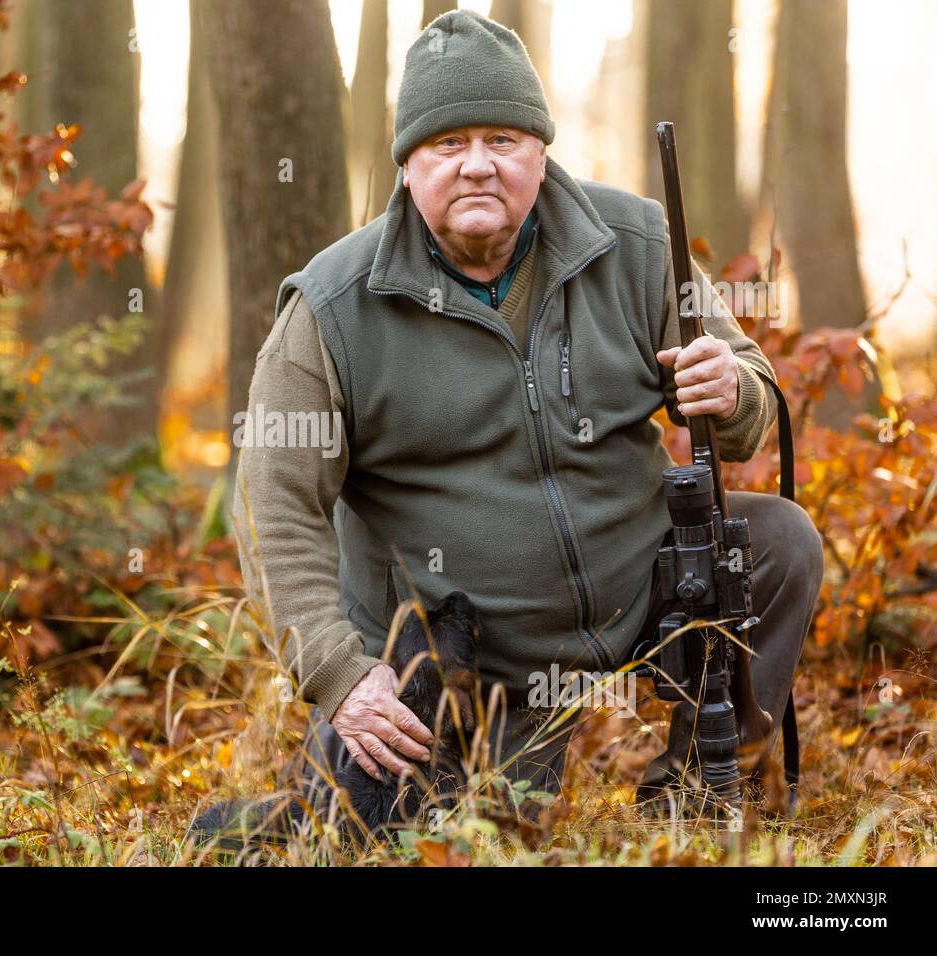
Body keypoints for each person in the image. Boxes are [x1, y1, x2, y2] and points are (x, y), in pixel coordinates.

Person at [231, 8, 824, 822]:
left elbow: (748, 408)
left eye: (504, 141)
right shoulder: (331, 309)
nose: (478, 166)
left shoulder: (639, 243)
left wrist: (735, 390)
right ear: (408, 165)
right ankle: (263, 823)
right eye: (449, 144)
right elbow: (274, 507)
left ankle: (693, 793)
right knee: (432, 834)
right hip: (467, 650)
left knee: (780, 540)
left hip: (639, 588)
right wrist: (339, 673)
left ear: (541, 154)